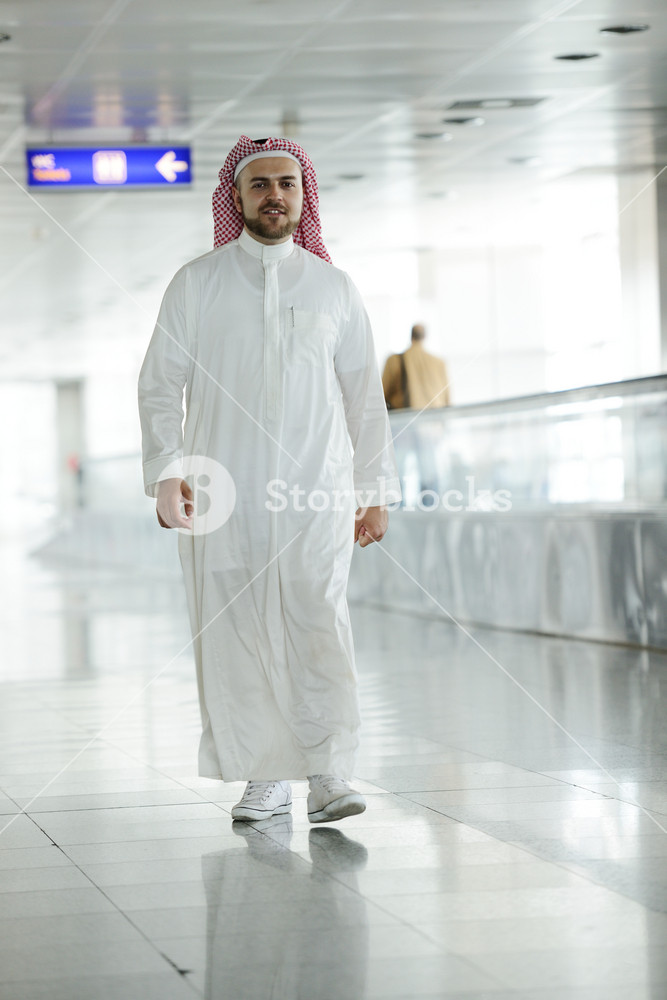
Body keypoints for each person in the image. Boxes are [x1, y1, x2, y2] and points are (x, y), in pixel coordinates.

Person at [138, 135, 400, 825]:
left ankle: (329, 771)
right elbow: (160, 383)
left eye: (286, 184)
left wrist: (374, 491)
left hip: (317, 489)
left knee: (319, 619)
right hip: (221, 490)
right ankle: (264, 776)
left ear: (303, 195)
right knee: (236, 629)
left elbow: (363, 399)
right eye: (260, 185)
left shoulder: (334, 288)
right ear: (237, 197)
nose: (274, 196)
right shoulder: (197, 283)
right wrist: (165, 473)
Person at [382, 323, 450, 410]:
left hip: (404, 416)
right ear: (425, 337)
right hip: (434, 416)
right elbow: (447, 400)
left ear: (411, 336)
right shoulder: (439, 363)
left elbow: (382, 395)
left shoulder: (394, 360)